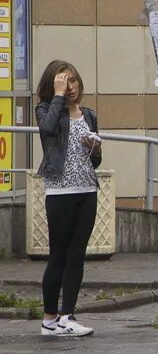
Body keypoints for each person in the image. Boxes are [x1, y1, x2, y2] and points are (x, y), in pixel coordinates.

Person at [35, 60, 102, 337]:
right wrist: (58, 97)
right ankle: (49, 319)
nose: (70, 87)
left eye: (73, 81)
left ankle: (68, 316)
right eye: (63, 82)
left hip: (87, 190)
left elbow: (95, 161)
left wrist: (95, 148)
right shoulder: (46, 110)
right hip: (60, 190)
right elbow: (47, 130)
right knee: (58, 255)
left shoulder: (88, 114)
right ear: (53, 86)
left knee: (77, 255)